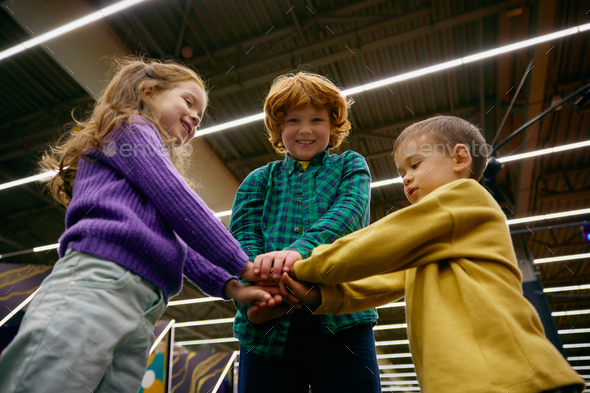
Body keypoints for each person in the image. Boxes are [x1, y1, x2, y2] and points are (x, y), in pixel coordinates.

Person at [0, 58, 280, 393]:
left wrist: (232, 286)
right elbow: (178, 200)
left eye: (200, 117)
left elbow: (181, 243)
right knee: (46, 381)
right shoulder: (128, 130)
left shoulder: (145, 162)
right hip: (99, 279)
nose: (194, 118)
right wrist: (242, 264)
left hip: (144, 305)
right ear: (149, 91)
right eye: (189, 102)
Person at [280, 115, 585, 393]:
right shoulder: (435, 243)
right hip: (476, 378)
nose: (406, 178)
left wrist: (303, 264)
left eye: (414, 165)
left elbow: (378, 243)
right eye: (402, 173)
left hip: (508, 375)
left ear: (460, 157)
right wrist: (318, 296)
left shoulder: (464, 197)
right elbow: (384, 281)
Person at [230, 71, 382, 392]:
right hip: (267, 328)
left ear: (334, 125)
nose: (305, 130)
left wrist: (299, 252)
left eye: (317, 119)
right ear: (277, 127)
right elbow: (243, 243)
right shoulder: (257, 181)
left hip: (344, 323)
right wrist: (257, 297)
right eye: (293, 120)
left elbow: (348, 216)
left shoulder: (351, 166)